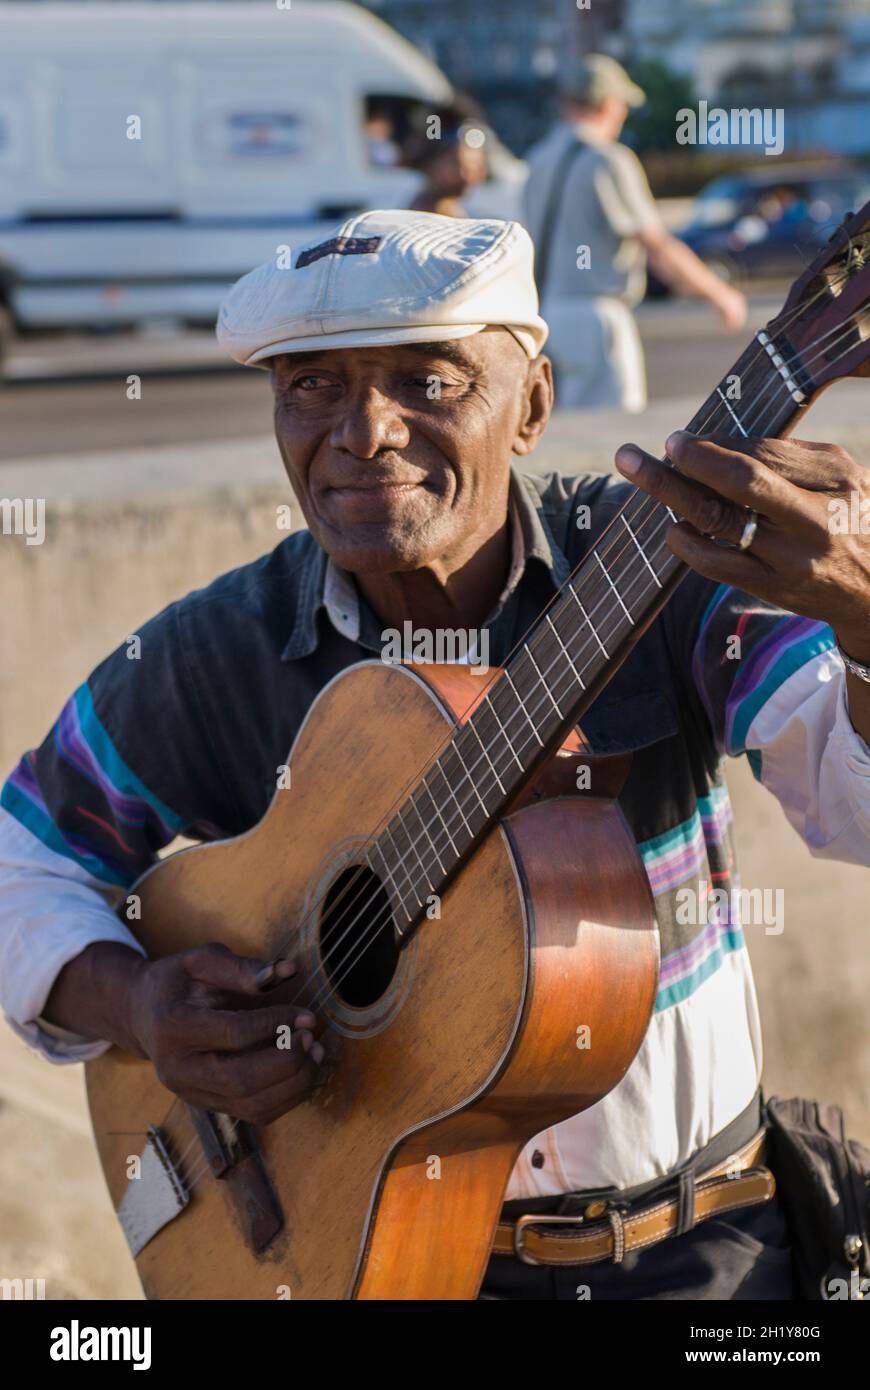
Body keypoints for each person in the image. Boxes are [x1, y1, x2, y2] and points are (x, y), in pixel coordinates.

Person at [1, 211, 869, 1300]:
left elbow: (859, 803)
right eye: (312, 386)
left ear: (535, 406)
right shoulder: (222, 648)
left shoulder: (673, 569)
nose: (364, 431)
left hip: (703, 1257)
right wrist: (136, 1004)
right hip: (375, 1270)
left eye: (431, 380)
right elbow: (20, 860)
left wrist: (868, 626)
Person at [523, 54, 748, 411]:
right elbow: (656, 243)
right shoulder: (608, 160)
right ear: (608, 105)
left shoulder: (540, 158)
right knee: (612, 436)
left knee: (566, 432)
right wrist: (718, 293)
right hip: (596, 318)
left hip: (547, 312)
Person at [407, 126, 487, 218]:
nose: (464, 175)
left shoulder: (472, 210)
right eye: (456, 165)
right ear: (433, 163)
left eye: (474, 166)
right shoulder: (422, 215)